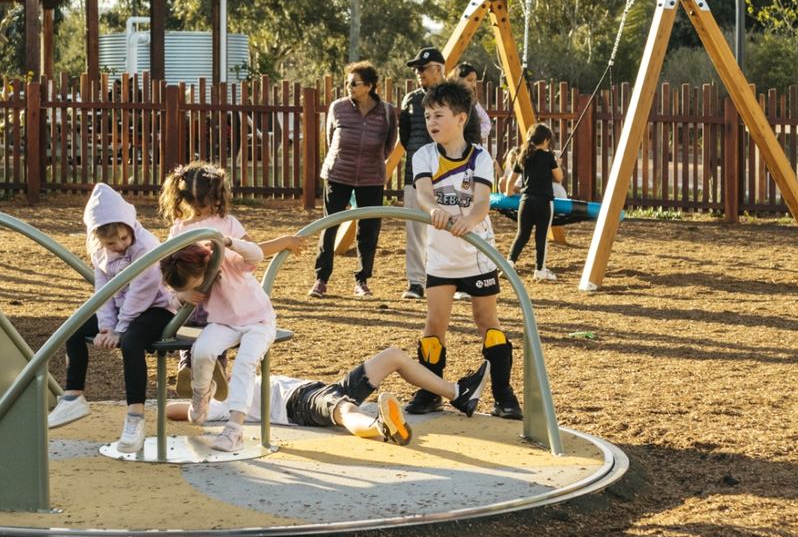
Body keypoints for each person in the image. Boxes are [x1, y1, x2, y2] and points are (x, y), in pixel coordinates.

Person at [160, 161, 305, 452]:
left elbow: (255, 253)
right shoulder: (179, 230)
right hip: (221, 316)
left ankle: (234, 428)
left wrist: (231, 243)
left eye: (209, 205)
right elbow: (169, 274)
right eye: (197, 206)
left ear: (218, 199)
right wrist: (181, 295)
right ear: (183, 201)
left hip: (256, 317)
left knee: (244, 364)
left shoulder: (228, 224)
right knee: (202, 351)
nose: (203, 212)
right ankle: (201, 397)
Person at [408, 79, 523, 420]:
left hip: (476, 255)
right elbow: (425, 194)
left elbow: (482, 204)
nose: (431, 122)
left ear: (460, 118)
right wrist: (434, 211)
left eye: (439, 115)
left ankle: (503, 394)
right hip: (441, 258)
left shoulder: (480, 158)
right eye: (428, 115)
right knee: (434, 323)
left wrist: (469, 221)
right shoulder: (424, 155)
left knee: (486, 319)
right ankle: (431, 391)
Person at [46, 183, 179, 462]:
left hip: (156, 309)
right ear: (99, 239)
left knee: (131, 342)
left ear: (130, 226)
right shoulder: (99, 250)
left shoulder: (146, 246)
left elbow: (142, 292)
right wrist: (106, 325)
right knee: (73, 327)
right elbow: (104, 291)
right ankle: (73, 396)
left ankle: (135, 417)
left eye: (122, 237)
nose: (119, 245)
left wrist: (119, 330)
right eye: (111, 243)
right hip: (121, 310)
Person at [174, 346, 490, 445]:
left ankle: (459, 394)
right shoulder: (222, 404)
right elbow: (177, 410)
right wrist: (192, 404)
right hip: (298, 404)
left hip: (325, 388)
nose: (222, 373)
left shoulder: (237, 384)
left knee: (392, 356)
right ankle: (378, 427)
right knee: (342, 411)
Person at [309, 60, 397, 299]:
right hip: (338, 174)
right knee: (329, 226)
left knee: (368, 230)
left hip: (372, 178)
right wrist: (342, 160)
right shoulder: (337, 108)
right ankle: (321, 279)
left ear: (369, 86)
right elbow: (330, 139)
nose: (348, 86)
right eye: (347, 82)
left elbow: (388, 145)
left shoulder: (387, 112)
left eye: (354, 83)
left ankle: (362, 280)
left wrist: (371, 163)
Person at [397, 47, 448, 300]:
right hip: (415, 176)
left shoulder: (456, 97)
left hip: (450, 176)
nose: (418, 74)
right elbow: (405, 137)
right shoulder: (410, 100)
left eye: (423, 69)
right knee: (416, 231)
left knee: (450, 230)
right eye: (416, 70)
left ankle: (453, 280)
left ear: (438, 69)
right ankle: (416, 282)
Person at [507, 123, 564, 282]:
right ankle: (540, 270)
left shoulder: (523, 156)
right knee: (541, 236)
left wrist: (508, 193)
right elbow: (559, 178)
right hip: (544, 203)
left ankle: (509, 263)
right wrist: (557, 164)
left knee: (522, 234)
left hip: (525, 202)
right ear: (546, 140)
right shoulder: (548, 157)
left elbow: (510, 181)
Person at [454, 62, 495, 156]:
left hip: (471, 149)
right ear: (458, 79)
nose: (474, 85)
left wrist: (475, 133)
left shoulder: (473, 103)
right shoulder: (448, 100)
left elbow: (486, 123)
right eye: (469, 80)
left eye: (475, 80)